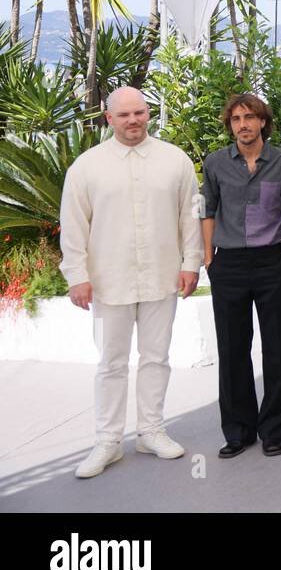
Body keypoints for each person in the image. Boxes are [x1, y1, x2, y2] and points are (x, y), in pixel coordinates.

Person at [59, 86, 202, 479]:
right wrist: (77, 277)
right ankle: (107, 440)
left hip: (161, 277)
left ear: (148, 113)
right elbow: (73, 226)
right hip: (108, 284)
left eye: (139, 112)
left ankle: (151, 431)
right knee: (110, 363)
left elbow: (189, 218)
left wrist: (192, 263)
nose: (133, 121)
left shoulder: (175, 161)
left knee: (157, 358)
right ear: (109, 118)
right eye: (124, 115)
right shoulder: (86, 168)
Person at [200, 93, 281, 458]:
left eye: (250, 117)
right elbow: (208, 209)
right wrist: (209, 258)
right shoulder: (215, 163)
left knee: (277, 348)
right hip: (228, 265)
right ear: (230, 124)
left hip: (273, 261)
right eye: (237, 119)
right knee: (232, 348)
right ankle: (238, 431)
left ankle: (273, 430)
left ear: (262, 122)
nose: (243, 124)